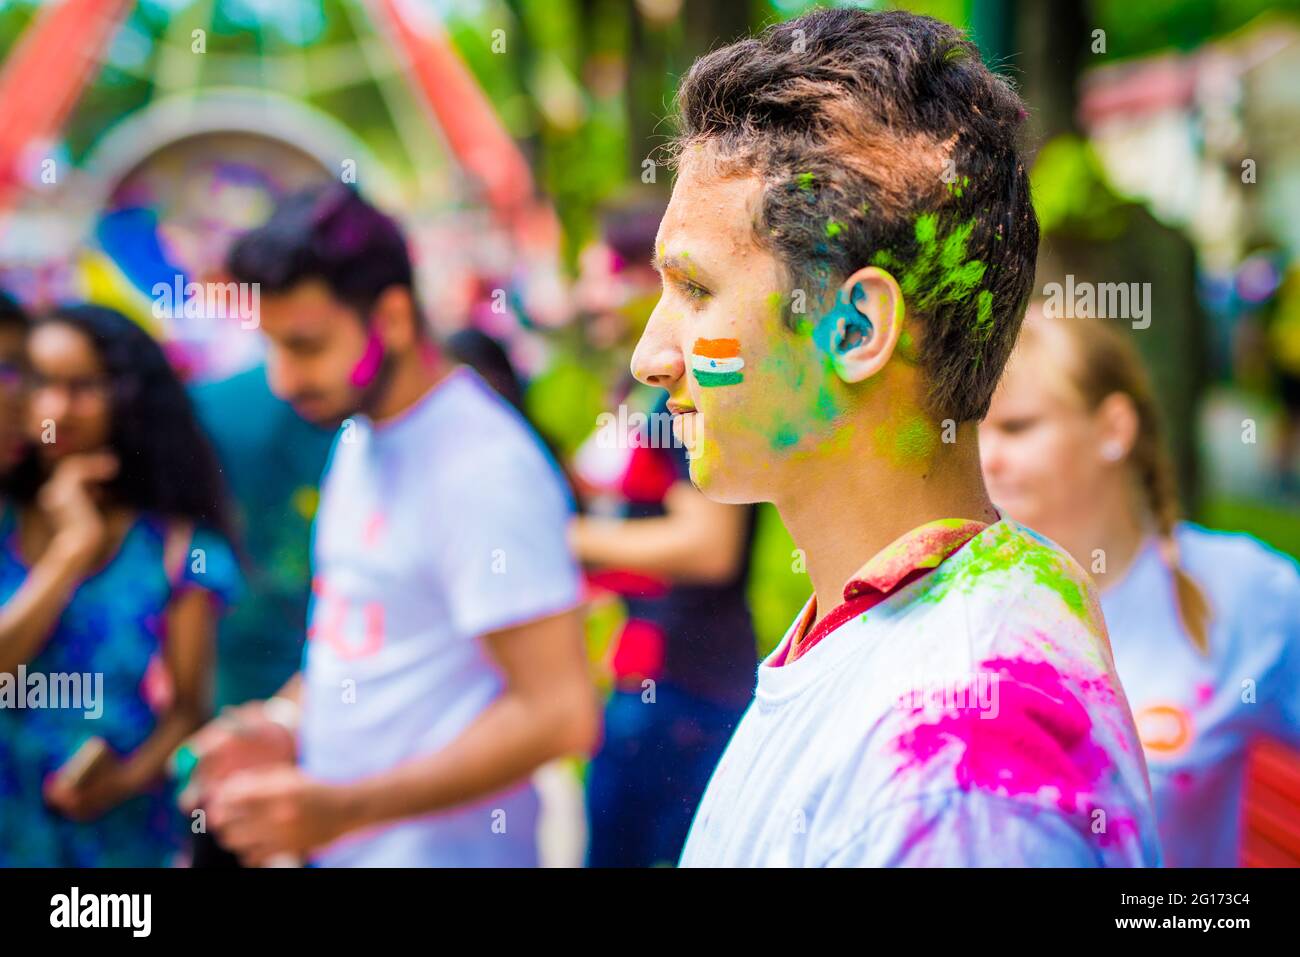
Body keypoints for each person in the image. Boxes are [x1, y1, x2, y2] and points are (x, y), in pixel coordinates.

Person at [629, 7, 1160, 866]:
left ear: (853, 327)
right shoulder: (898, 620)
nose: (650, 357)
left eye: (694, 290)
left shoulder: (956, 768)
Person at [186, 184, 598, 867]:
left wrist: (341, 809)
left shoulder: (483, 467)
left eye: (307, 345)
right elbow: (367, 645)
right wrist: (282, 724)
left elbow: (559, 714)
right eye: (272, 347)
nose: (284, 379)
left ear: (395, 318)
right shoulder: (362, 433)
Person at [981, 308, 1300, 867]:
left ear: (1114, 429)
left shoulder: (1244, 593)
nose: (987, 458)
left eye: (1016, 427)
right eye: (973, 429)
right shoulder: (953, 602)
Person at [0, 304, 239, 866]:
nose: (57, 408)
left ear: (129, 396)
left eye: (83, 386)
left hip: (122, 847)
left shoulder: (183, 552)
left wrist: (123, 779)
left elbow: (188, 708)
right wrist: (69, 553)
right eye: (40, 383)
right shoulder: (7, 520)